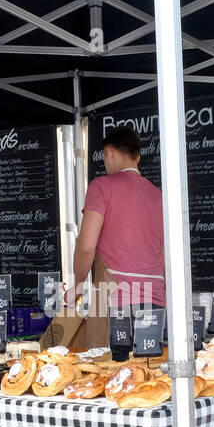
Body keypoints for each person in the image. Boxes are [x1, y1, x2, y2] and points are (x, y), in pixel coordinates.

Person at [70, 125, 166, 315]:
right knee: (151, 346)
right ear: (137, 157)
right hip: (155, 302)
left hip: (115, 301)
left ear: (109, 152)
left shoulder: (101, 187)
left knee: (109, 346)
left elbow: (86, 246)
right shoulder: (158, 196)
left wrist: (78, 286)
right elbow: (163, 254)